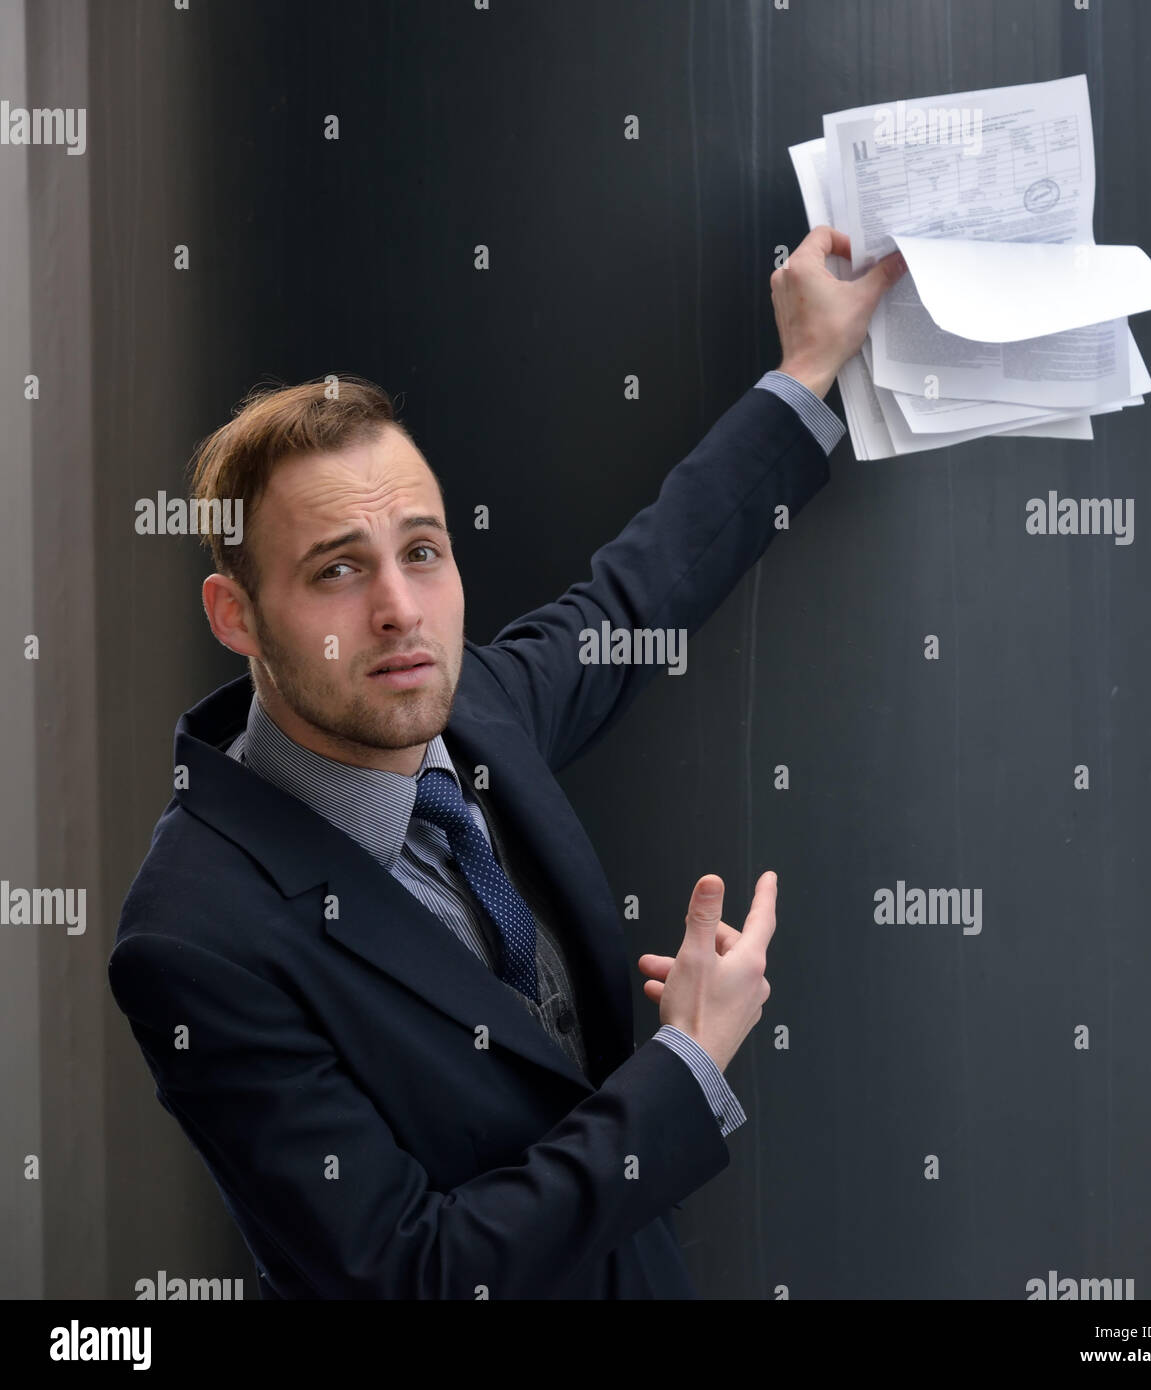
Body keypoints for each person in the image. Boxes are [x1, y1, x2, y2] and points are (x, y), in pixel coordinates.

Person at [108, 228, 906, 1299]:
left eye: (421, 551)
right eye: (337, 570)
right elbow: (409, 1275)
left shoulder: (467, 703)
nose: (399, 609)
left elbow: (639, 594)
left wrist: (806, 368)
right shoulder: (193, 939)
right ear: (236, 615)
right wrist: (684, 1067)